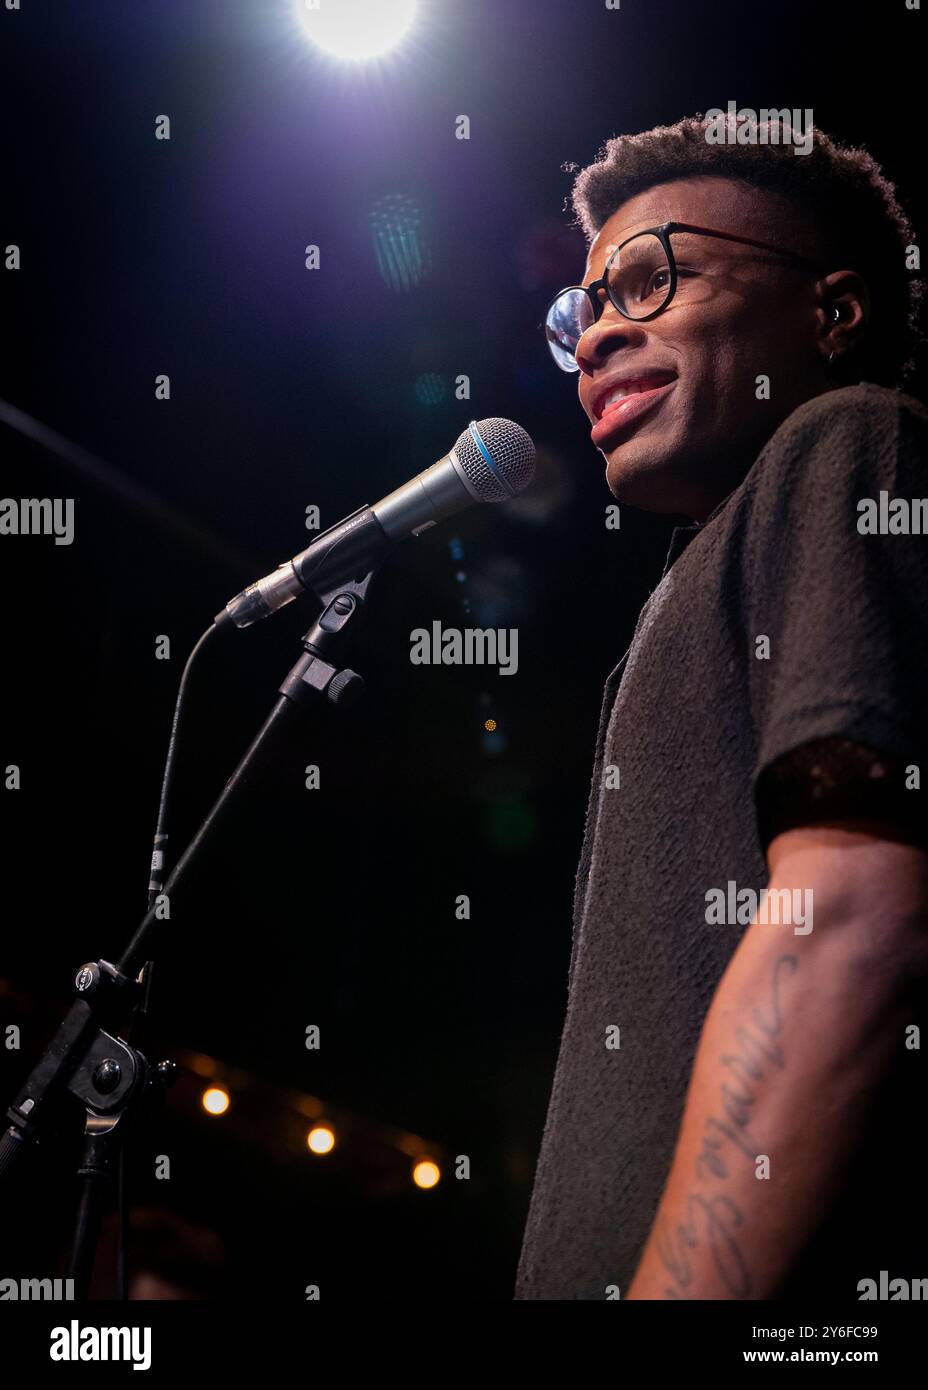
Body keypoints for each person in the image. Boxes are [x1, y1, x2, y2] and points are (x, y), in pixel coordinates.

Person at [515, 113, 928, 1300]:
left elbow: (851, 914)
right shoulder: (696, 593)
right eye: (583, 310)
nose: (597, 334)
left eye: (650, 281)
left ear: (832, 312)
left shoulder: (850, 444)